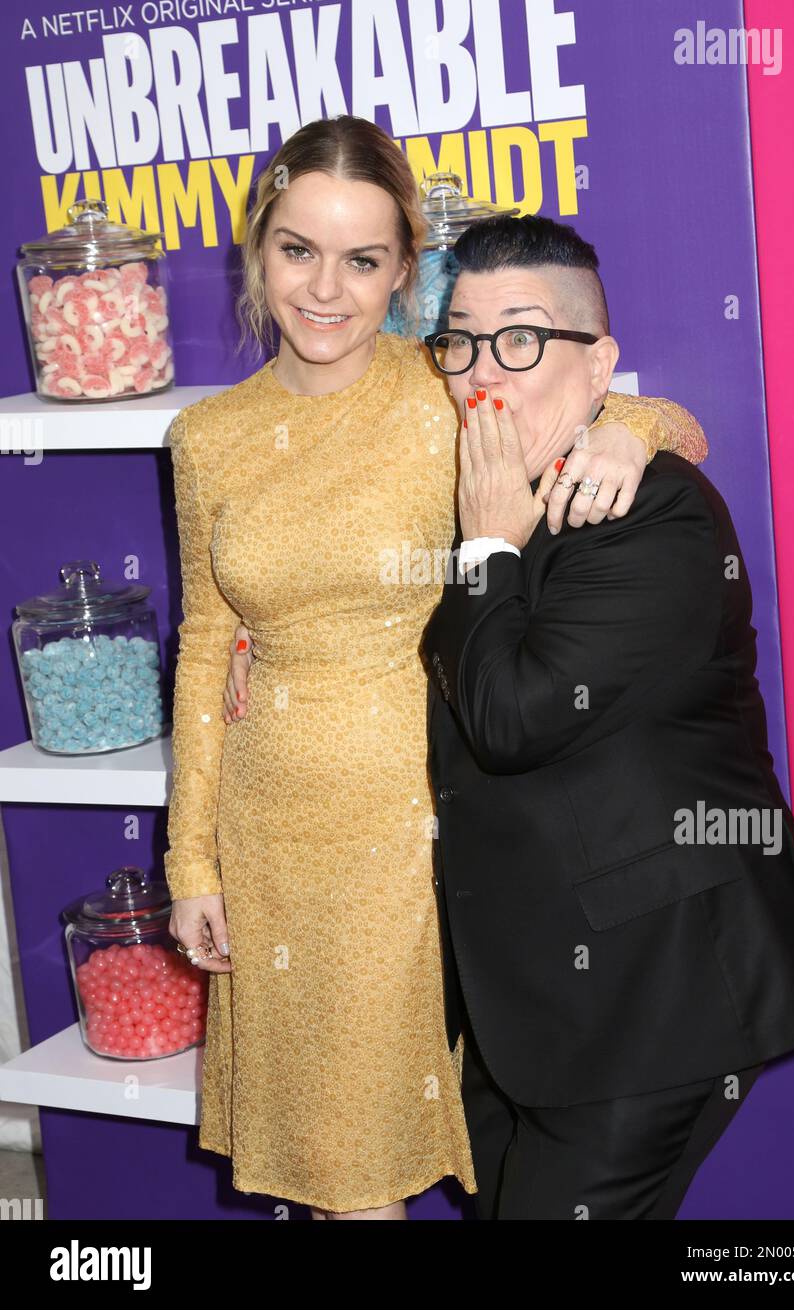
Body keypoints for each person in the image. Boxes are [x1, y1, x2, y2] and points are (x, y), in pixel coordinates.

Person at [166, 114, 708, 1221]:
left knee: (369, 1168)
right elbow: (206, 642)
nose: (326, 288)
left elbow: (658, 417)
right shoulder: (206, 436)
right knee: (322, 1171)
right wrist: (190, 863)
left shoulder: (443, 388)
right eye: (297, 249)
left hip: (416, 825)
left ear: (405, 270)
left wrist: (629, 434)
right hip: (271, 832)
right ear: (256, 249)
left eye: (363, 259)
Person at [417, 213, 794, 1219]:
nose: (483, 371)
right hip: (520, 995)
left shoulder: (647, 512)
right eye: (461, 340)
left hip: (653, 994)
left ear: (597, 361)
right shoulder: (493, 477)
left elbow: (514, 717)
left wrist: (486, 548)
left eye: (521, 338)